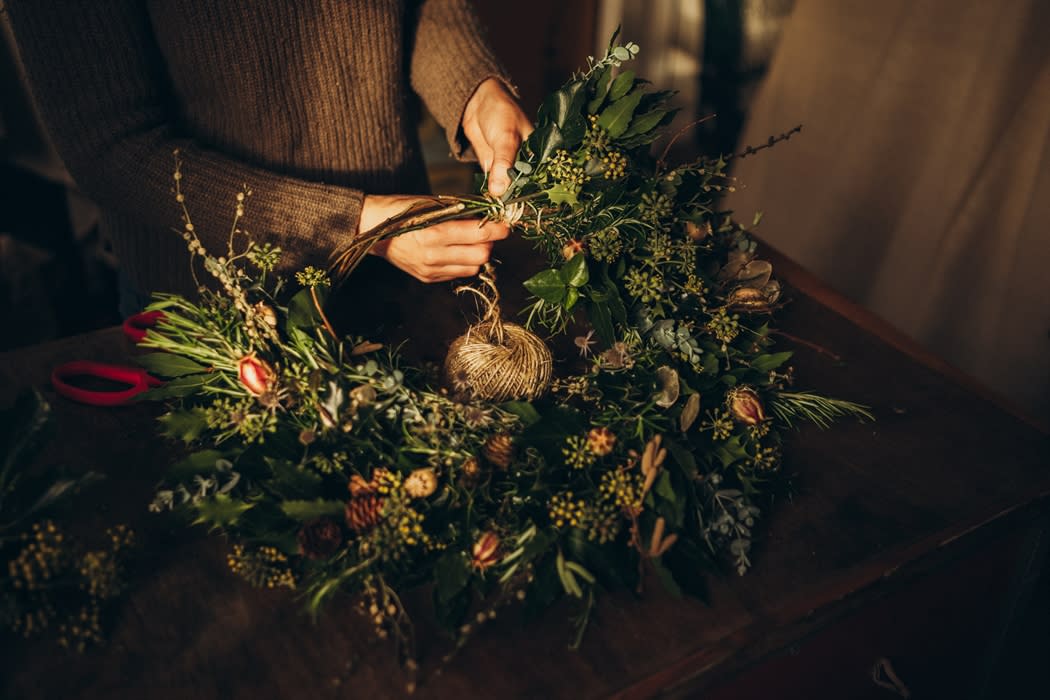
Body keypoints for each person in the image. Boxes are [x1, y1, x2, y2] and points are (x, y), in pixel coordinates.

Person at [4, 1, 532, 318]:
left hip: (398, 275)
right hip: (217, 304)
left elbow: (418, 7)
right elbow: (112, 148)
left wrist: (476, 91)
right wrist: (355, 226)